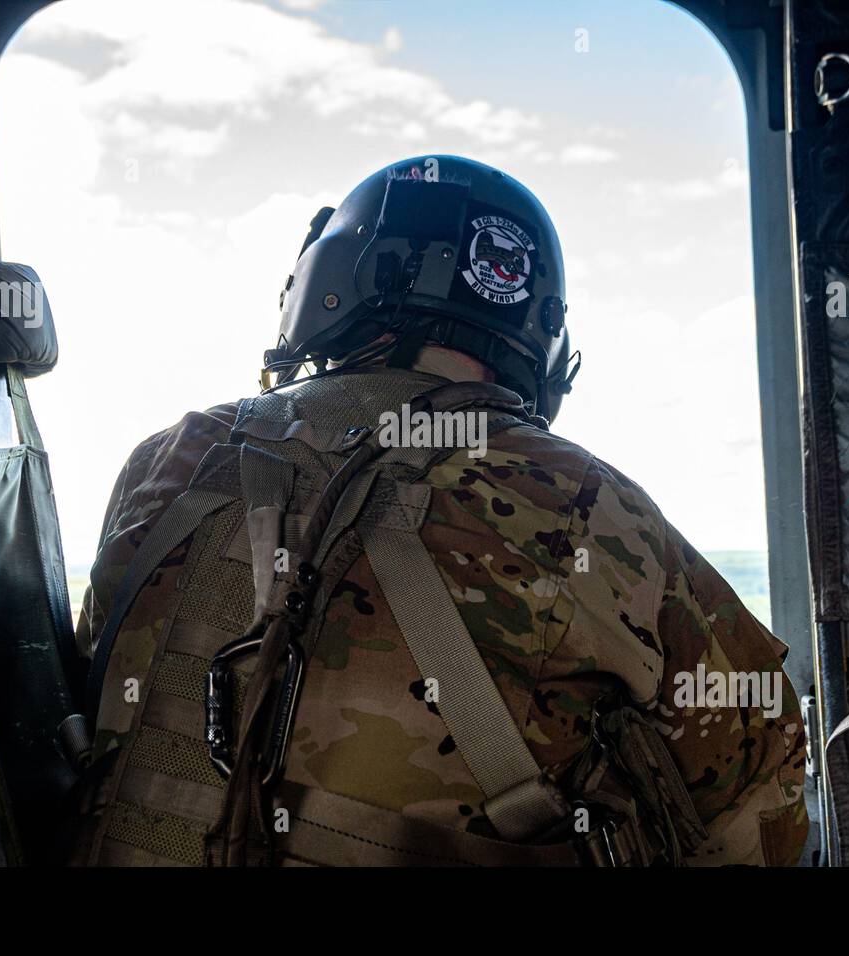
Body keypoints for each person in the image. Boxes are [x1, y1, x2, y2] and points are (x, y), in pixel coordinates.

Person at [63, 155, 807, 867]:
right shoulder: (588, 503)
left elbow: (96, 681)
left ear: (323, 284)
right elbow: (758, 799)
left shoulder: (174, 456)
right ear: (541, 338)